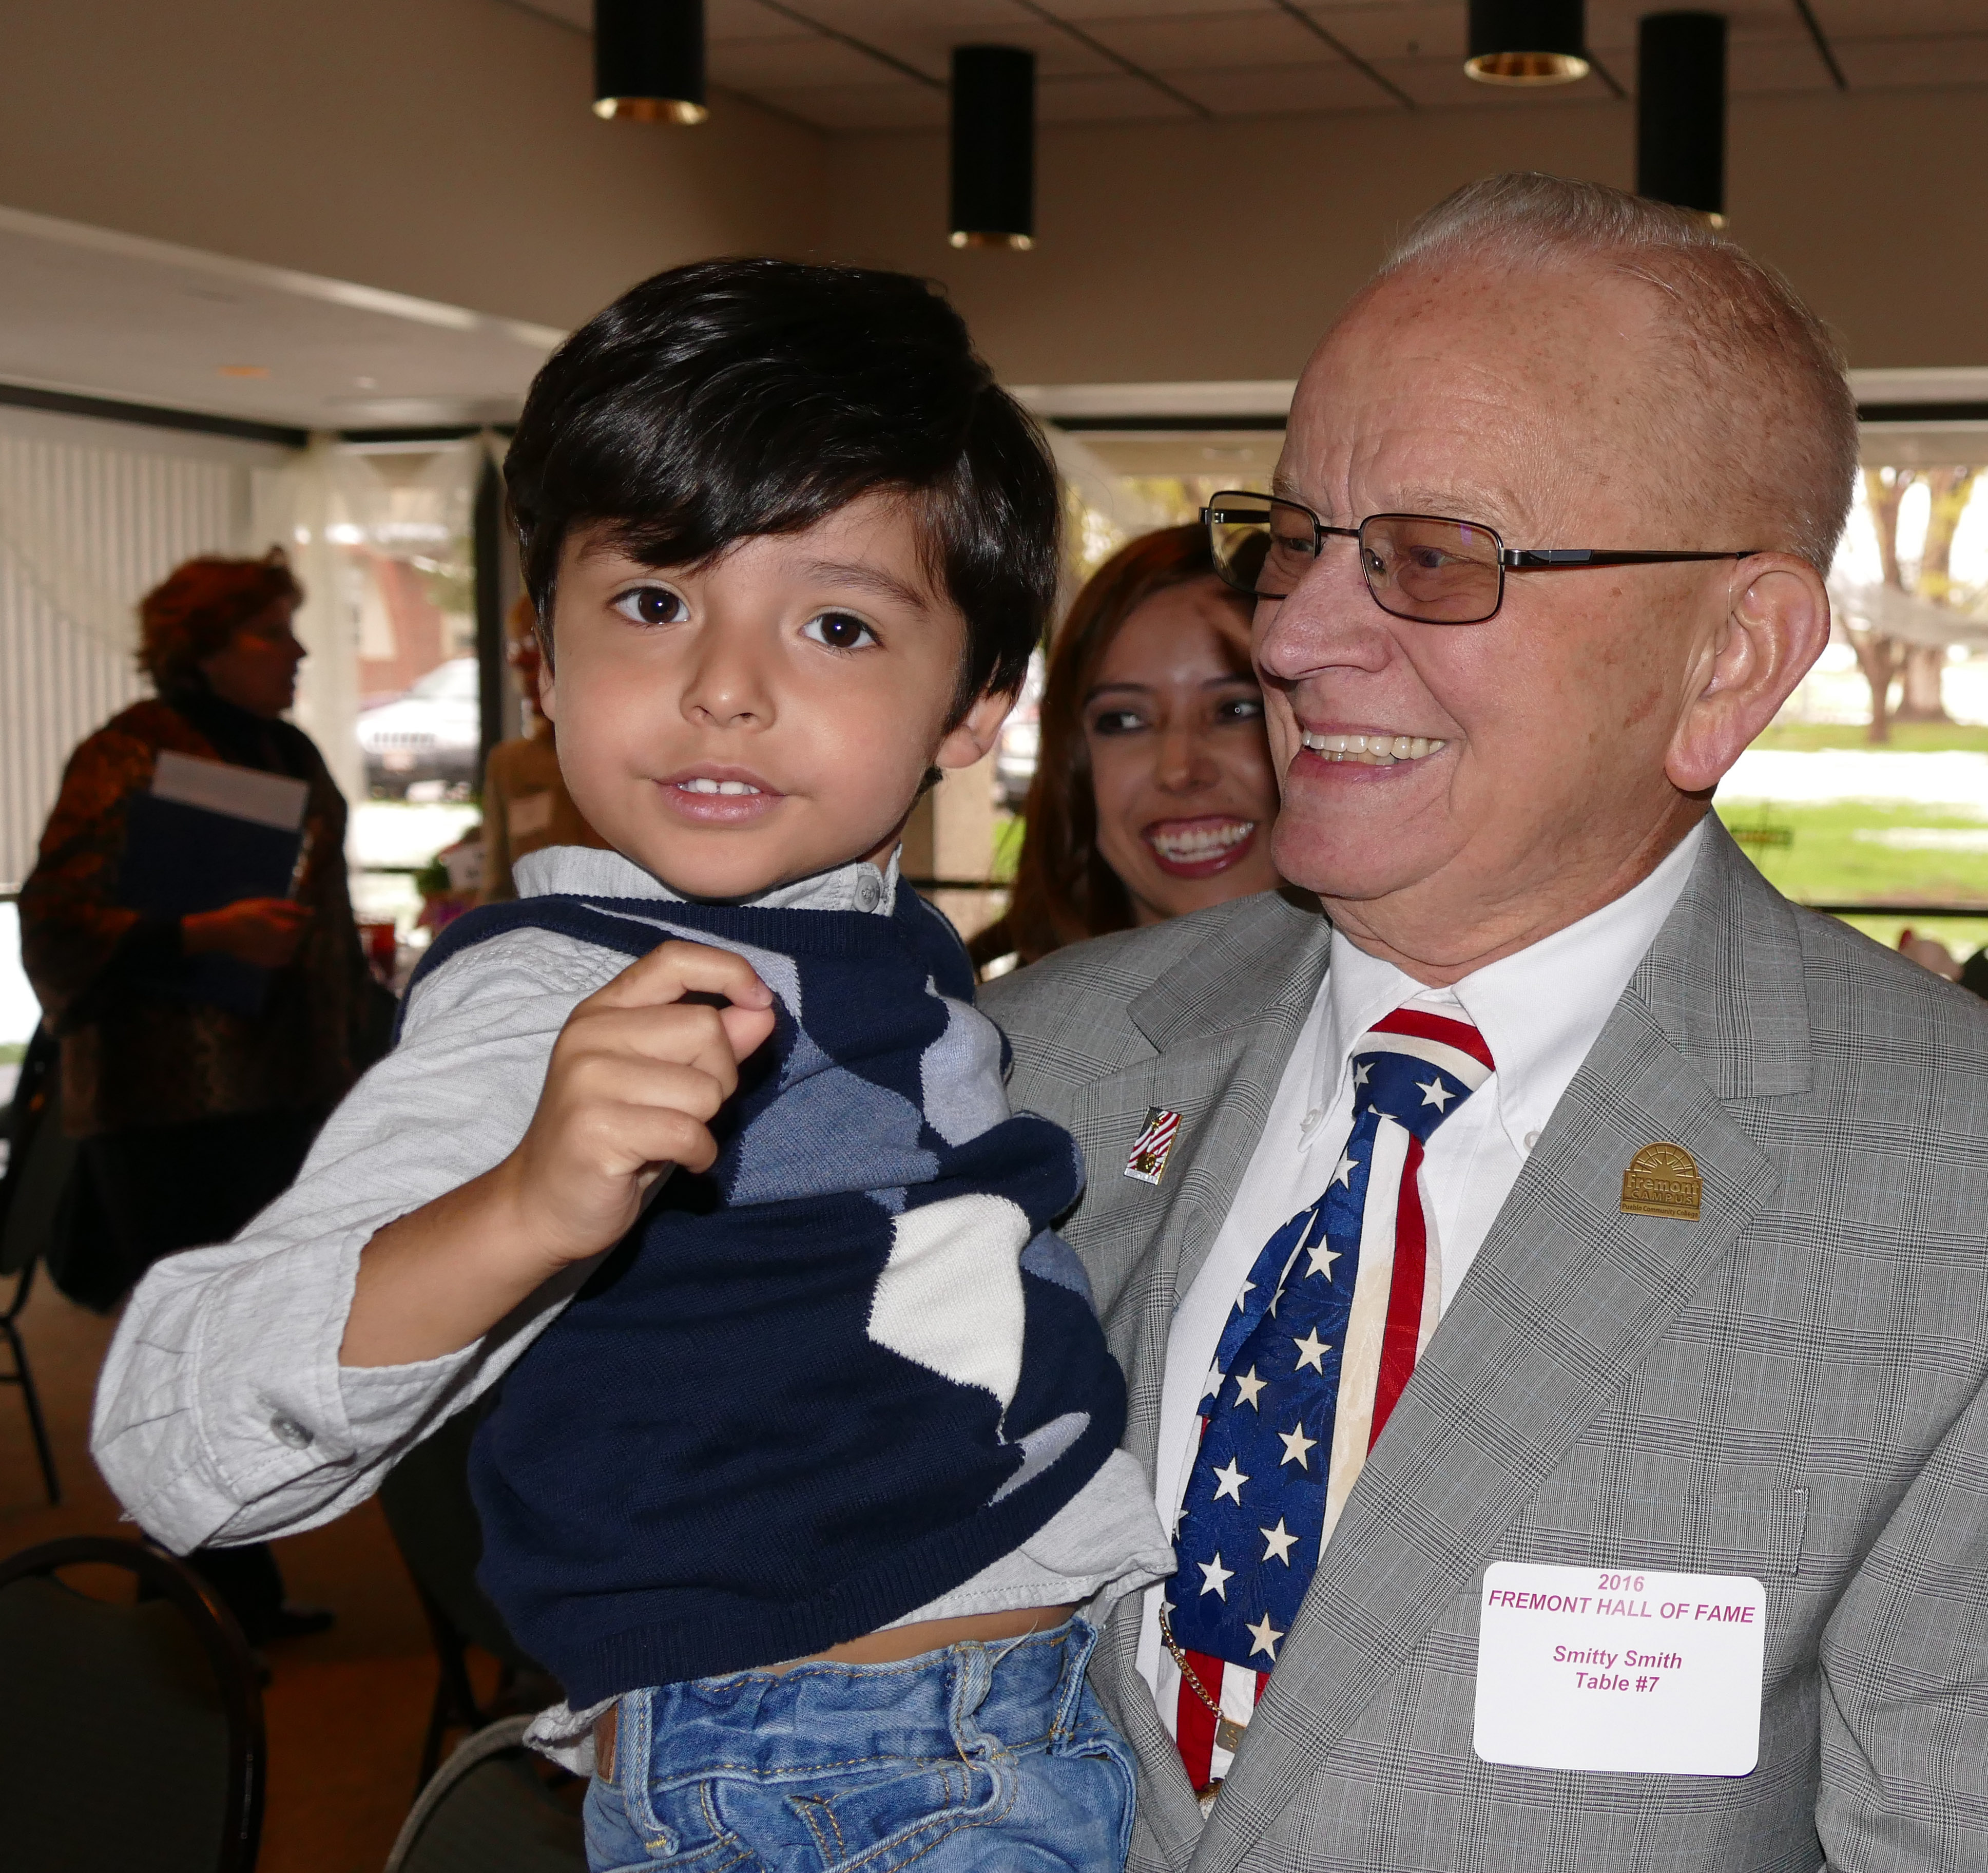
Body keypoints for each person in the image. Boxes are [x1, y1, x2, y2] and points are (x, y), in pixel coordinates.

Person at [981, 176, 1988, 1871]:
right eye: (1288, 534)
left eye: (1429, 557)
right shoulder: (1038, 1062)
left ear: (1729, 654)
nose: (1293, 632)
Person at [92, 259, 1170, 1873]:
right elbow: (174, 1442)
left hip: (1020, 1719)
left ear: (972, 708)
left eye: (834, 623)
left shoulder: (875, 942)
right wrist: (528, 1200)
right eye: (653, 602)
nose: (723, 687)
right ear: (538, 661)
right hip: (834, 1776)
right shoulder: (559, 997)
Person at [21, 549, 375, 1641]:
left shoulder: (286, 745)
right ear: (205, 645)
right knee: (183, 1354)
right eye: (273, 630)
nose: (300, 649)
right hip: (162, 1106)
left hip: (279, 1096)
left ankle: (233, 1589)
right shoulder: (129, 750)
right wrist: (193, 934)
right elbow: (53, 918)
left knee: (248, 1345)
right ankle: (192, 1601)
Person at [977, 524, 1282, 967]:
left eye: (1236, 709)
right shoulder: (982, 1030)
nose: (1179, 771)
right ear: (1074, 764)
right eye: (1124, 720)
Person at [477, 593, 606, 903]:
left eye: (534, 644)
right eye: (517, 646)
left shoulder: (638, 756)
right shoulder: (510, 765)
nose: (518, 660)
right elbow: (498, 892)